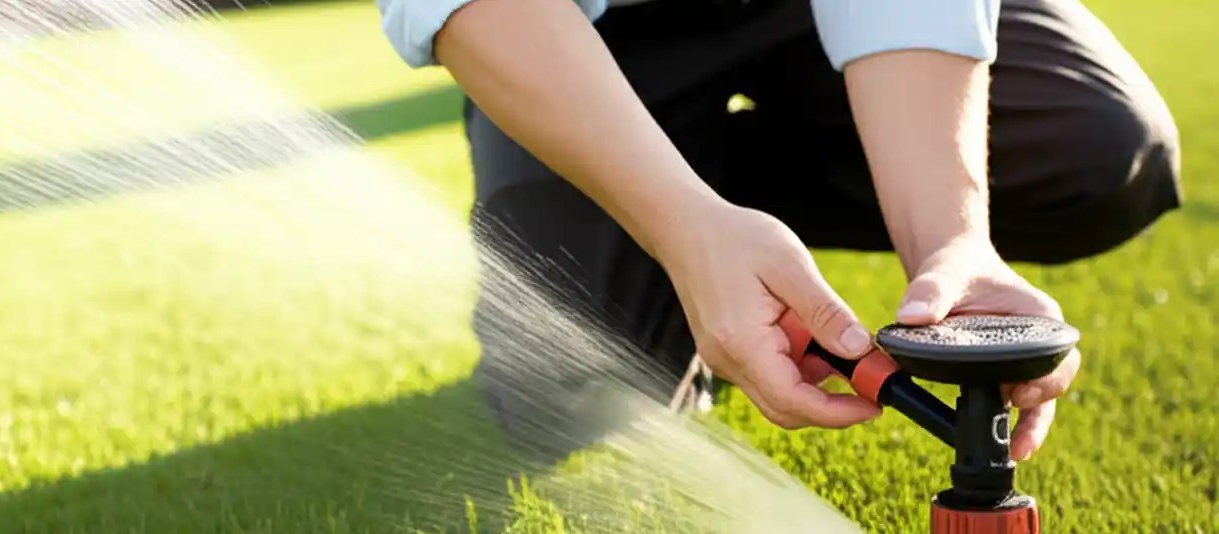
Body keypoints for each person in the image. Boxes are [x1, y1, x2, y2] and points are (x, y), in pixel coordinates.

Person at [376, 0, 1181, 462]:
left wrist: (950, 240)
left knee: (1100, 151)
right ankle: (692, 207)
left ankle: (737, 220)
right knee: (571, 389)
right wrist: (682, 225)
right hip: (582, 29)